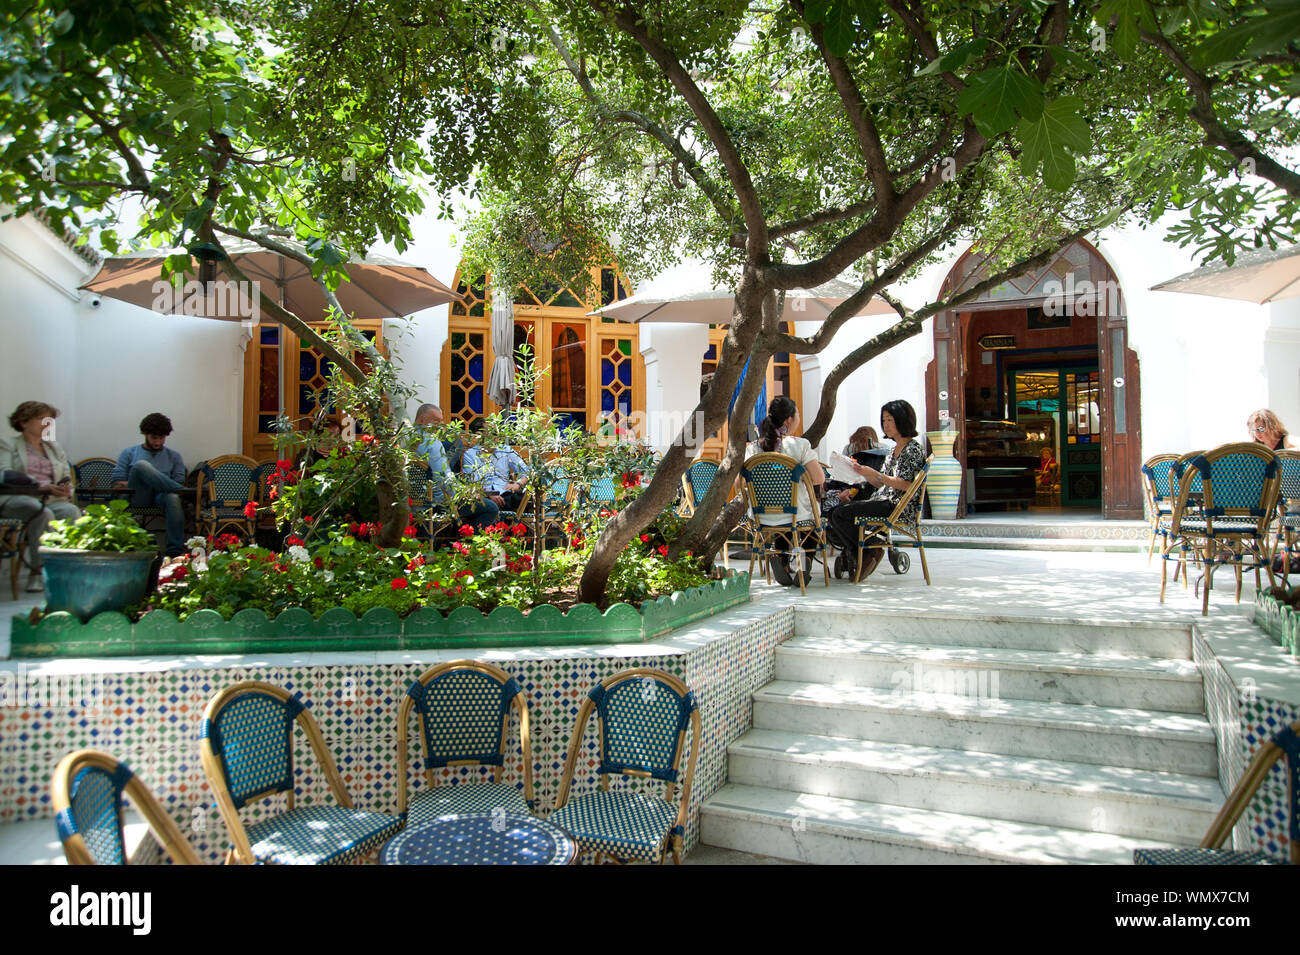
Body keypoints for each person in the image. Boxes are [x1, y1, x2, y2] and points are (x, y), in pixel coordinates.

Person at [829, 399, 927, 579]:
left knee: (839, 514)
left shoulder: (912, 449)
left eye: (890, 420)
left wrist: (876, 474)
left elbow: (907, 485)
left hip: (897, 506)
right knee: (833, 512)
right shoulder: (893, 450)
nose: (886, 425)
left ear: (903, 419)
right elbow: (880, 484)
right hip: (883, 500)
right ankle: (864, 550)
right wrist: (862, 473)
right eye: (884, 420)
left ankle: (868, 549)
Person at [741, 396, 826, 586]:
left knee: (783, 516)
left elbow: (745, 483)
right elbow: (819, 478)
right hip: (797, 514)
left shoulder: (753, 449)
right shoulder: (800, 445)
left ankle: (781, 559)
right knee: (810, 517)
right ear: (789, 420)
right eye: (797, 415)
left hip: (761, 515)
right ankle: (805, 563)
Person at [0, 402, 82, 591]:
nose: (47, 423)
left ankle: (65, 571)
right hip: (16, 499)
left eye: (50, 420)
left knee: (71, 511)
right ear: (23, 422)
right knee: (42, 513)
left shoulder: (54, 448)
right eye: (41, 418)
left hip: (50, 500)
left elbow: (65, 477)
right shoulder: (7, 444)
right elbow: (3, 473)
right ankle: (38, 571)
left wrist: (65, 488)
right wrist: (38, 485)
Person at [111, 413, 187, 557]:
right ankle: (182, 490)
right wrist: (146, 479)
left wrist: (159, 484)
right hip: (138, 496)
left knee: (174, 498)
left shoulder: (174, 456)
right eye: (154, 438)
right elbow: (117, 482)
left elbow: (179, 480)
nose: (158, 442)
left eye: (161, 438)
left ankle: (174, 553)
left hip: (162, 497)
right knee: (141, 466)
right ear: (145, 434)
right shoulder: (129, 453)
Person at [413, 404, 499, 528]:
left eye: (442, 421)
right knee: (490, 508)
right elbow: (444, 479)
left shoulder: (404, 438)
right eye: (436, 421)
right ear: (422, 420)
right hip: (436, 503)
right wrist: (466, 492)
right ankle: (467, 544)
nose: (441, 425)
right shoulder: (432, 444)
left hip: (409, 501)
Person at [461, 419, 529, 512]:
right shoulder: (470, 454)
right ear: (479, 434)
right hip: (483, 496)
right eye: (491, 432)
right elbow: (473, 482)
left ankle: (517, 526)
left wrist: (518, 484)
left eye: (497, 431)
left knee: (524, 499)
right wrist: (490, 494)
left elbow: (526, 471)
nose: (495, 435)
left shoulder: (505, 450)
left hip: (506, 494)